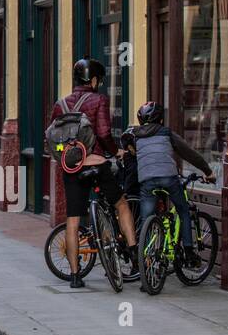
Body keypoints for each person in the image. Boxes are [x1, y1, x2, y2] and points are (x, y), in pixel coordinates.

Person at [55, 58, 137, 288]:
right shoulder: (98, 99)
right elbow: (103, 133)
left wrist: (67, 154)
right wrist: (116, 151)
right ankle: (134, 256)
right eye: (98, 80)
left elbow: (53, 139)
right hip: (96, 163)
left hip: (71, 169)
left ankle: (74, 275)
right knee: (121, 204)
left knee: (72, 219)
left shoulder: (60, 104)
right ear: (93, 80)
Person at [131, 101, 216, 277]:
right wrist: (207, 171)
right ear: (161, 119)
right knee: (183, 210)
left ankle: (145, 264)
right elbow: (188, 153)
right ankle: (188, 250)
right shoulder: (167, 133)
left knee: (147, 217)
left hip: (147, 181)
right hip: (169, 179)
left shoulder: (136, 135)